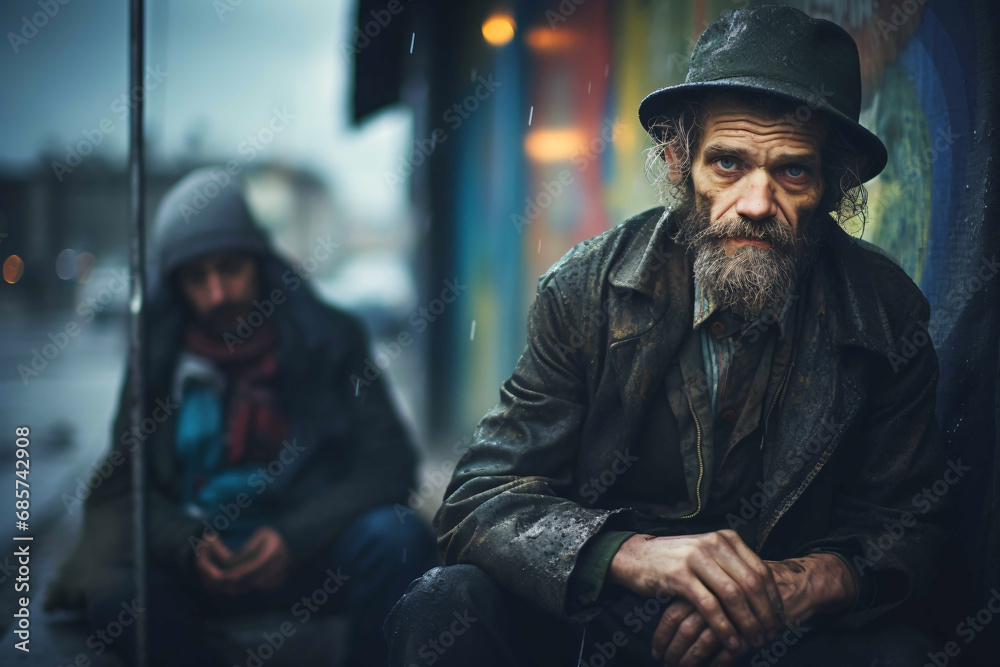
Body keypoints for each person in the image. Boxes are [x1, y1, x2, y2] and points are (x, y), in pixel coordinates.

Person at [385, 6, 950, 667]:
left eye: (792, 171)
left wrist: (801, 584)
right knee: (445, 603)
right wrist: (630, 555)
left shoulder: (885, 315)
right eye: (728, 164)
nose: (757, 202)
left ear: (832, 185)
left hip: (774, 634)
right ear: (680, 162)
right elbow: (479, 500)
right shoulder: (587, 289)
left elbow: (913, 526)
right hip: (600, 619)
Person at [45, 168, 438, 667]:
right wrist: (186, 545)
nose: (217, 293)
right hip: (195, 568)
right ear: (179, 285)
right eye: (197, 278)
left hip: (314, 556)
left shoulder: (330, 339)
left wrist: (294, 538)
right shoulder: (158, 356)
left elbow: (390, 465)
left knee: (399, 539)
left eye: (229, 269)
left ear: (259, 263)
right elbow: (124, 490)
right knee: (111, 588)